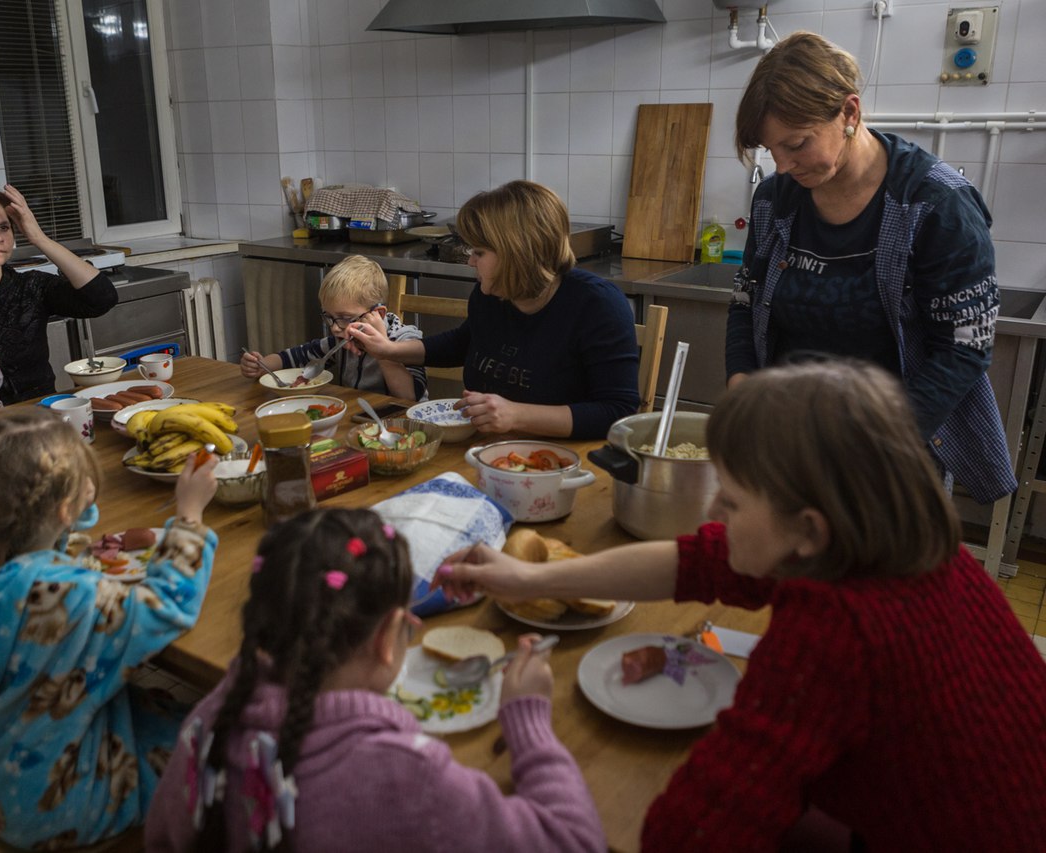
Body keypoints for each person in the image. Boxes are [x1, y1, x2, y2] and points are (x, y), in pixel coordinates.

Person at [434, 360, 1046, 851]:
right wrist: (528, 579)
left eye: (730, 501)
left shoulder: (837, 630)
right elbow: (695, 562)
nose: (712, 513)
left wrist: (534, 733)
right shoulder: (895, 547)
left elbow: (688, 834)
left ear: (807, 529)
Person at [145, 507, 606, 853]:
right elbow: (575, 840)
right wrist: (528, 720)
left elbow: (162, 838)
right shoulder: (409, 777)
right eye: (407, 621)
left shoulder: (209, 720)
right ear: (388, 638)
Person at [0, 408, 219, 849]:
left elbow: (37, 532)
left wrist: (69, 509)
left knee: (167, 708)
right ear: (64, 508)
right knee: (222, 747)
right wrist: (189, 516)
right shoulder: (63, 596)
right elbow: (168, 606)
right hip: (67, 799)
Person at [726, 31, 1014, 504]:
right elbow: (746, 298)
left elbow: (964, 349)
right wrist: (741, 382)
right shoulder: (775, 201)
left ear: (849, 113)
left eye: (796, 144)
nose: (783, 166)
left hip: (889, 454)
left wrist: (873, 446)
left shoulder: (936, 205)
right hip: (787, 439)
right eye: (771, 150)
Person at [349, 180, 638, 440]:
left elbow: (618, 412)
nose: (470, 262)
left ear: (517, 252)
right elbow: (464, 343)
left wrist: (516, 414)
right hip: (491, 447)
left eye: (479, 252)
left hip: (564, 460)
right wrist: (388, 350)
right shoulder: (493, 295)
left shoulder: (596, 304)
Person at [0, 182, 118, 404]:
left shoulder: (31, 286)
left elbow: (102, 298)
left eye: (4, 227)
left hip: (38, 414)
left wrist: (38, 238)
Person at [240, 255, 426, 401]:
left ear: (378, 314)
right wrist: (262, 366)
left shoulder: (406, 340)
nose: (335, 328)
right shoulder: (341, 341)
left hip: (402, 426)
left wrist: (383, 350)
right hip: (359, 417)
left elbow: (409, 397)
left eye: (344, 318)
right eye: (329, 317)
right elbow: (296, 357)